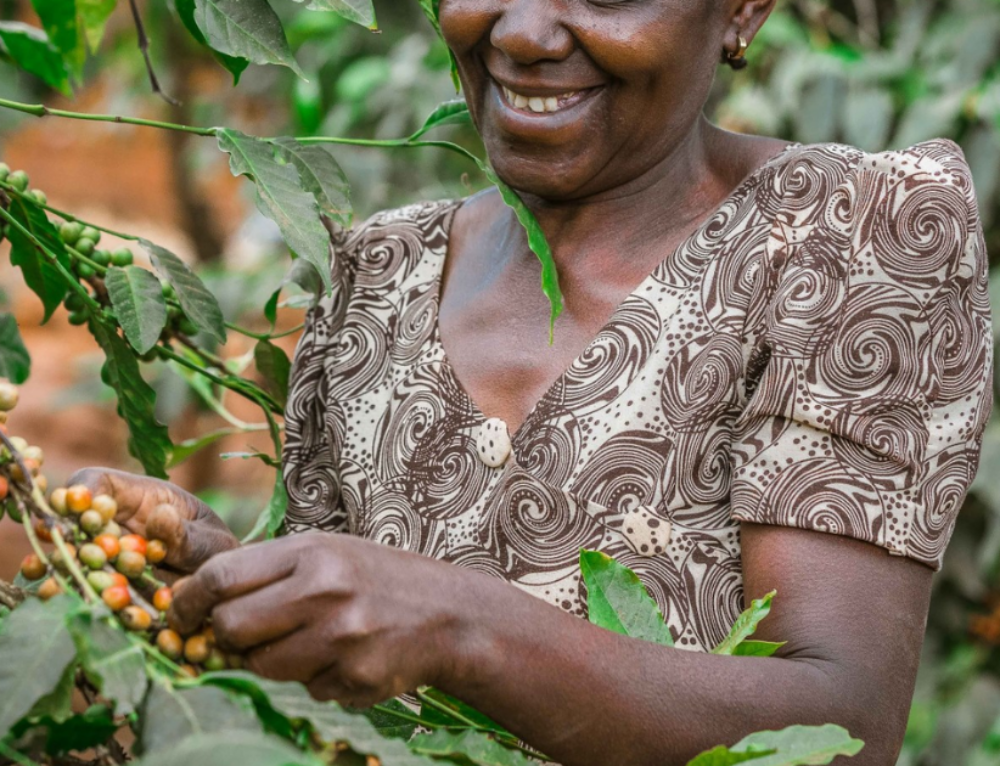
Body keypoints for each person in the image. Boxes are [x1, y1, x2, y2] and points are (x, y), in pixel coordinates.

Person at [71, 0, 993, 763]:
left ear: (743, 10)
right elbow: (342, 695)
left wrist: (458, 627)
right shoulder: (379, 271)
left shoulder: (851, 234)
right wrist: (222, 587)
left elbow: (839, 729)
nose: (522, 32)